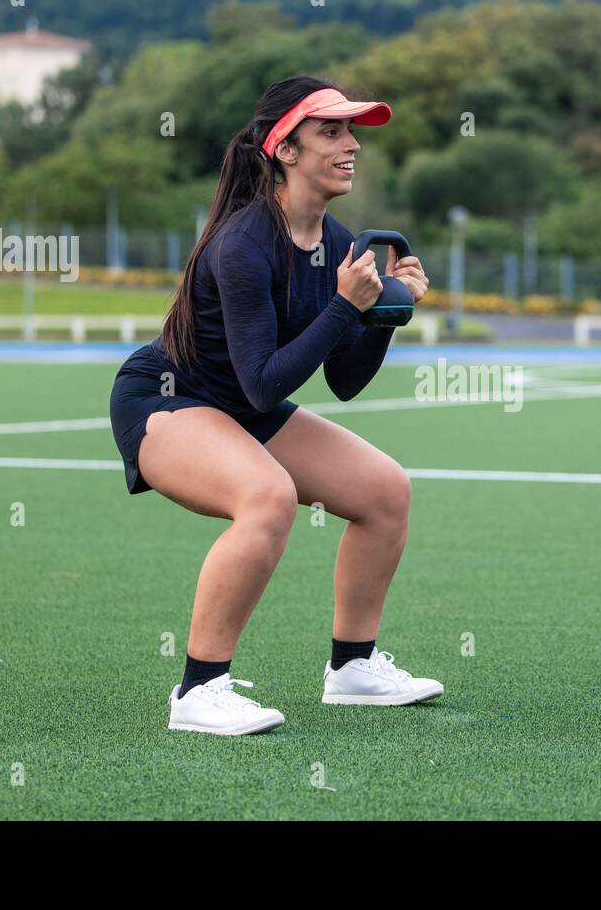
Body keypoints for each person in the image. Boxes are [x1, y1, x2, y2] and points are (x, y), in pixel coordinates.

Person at [108, 76, 441, 736]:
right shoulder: (243, 243)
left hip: (242, 405)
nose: (351, 145)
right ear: (285, 150)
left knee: (385, 490)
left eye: (353, 133)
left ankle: (353, 670)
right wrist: (347, 304)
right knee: (269, 495)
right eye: (332, 131)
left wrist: (386, 314)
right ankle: (199, 691)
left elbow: (343, 381)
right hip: (170, 401)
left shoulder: (337, 242)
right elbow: (265, 383)